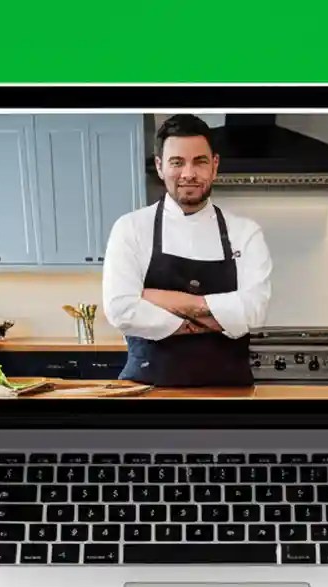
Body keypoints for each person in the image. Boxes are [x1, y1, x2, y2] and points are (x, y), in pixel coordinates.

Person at [101, 114, 272, 387]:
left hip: (229, 394)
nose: (188, 173)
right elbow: (121, 309)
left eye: (199, 161)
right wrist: (216, 315)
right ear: (159, 166)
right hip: (148, 391)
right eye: (177, 162)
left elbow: (253, 311)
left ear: (214, 166)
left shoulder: (246, 232)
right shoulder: (130, 228)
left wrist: (159, 300)